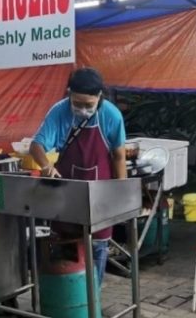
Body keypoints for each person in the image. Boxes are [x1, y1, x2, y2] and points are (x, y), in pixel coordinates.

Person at [30, 67, 127, 288]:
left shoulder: (111, 115)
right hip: (66, 195)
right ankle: (67, 297)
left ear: (100, 96)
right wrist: (46, 166)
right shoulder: (59, 111)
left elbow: (119, 156)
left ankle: (94, 297)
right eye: (77, 103)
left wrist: (121, 193)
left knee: (97, 248)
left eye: (88, 104)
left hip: (100, 196)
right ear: (69, 94)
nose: (83, 109)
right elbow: (37, 145)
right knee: (65, 246)